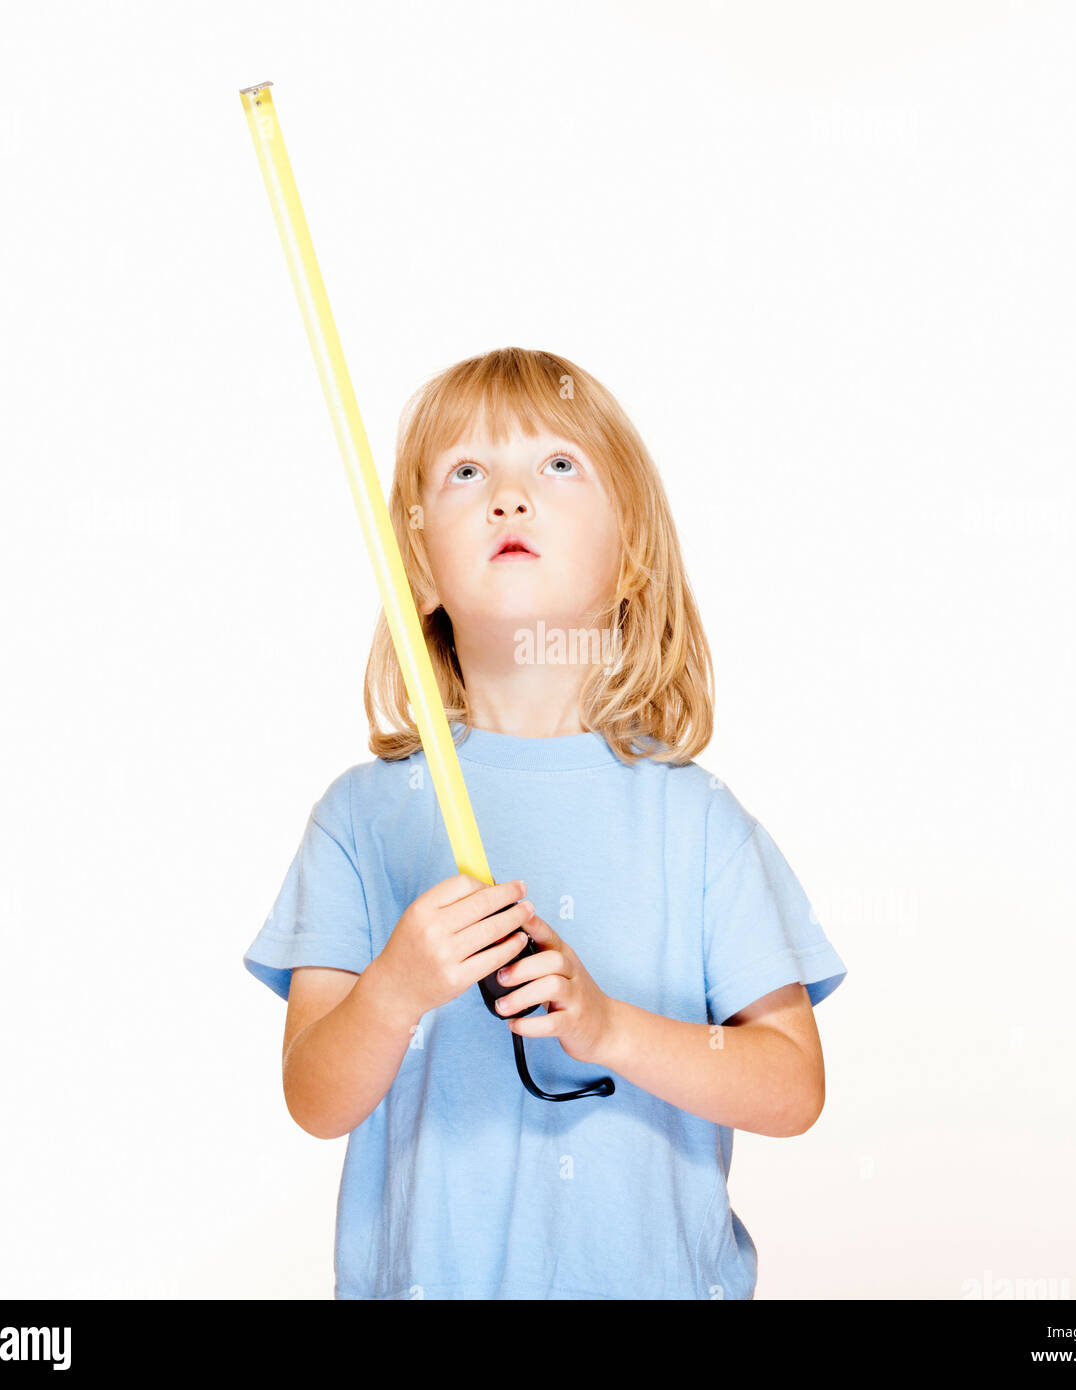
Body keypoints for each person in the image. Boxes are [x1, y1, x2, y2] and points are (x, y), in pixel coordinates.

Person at [242, 346, 848, 1299]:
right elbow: (314, 1098)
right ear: (421, 574)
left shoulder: (696, 823)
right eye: (465, 473)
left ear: (632, 554)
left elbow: (791, 1087)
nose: (508, 497)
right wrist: (394, 991)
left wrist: (608, 1029)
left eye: (557, 465)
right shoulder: (362, 817)